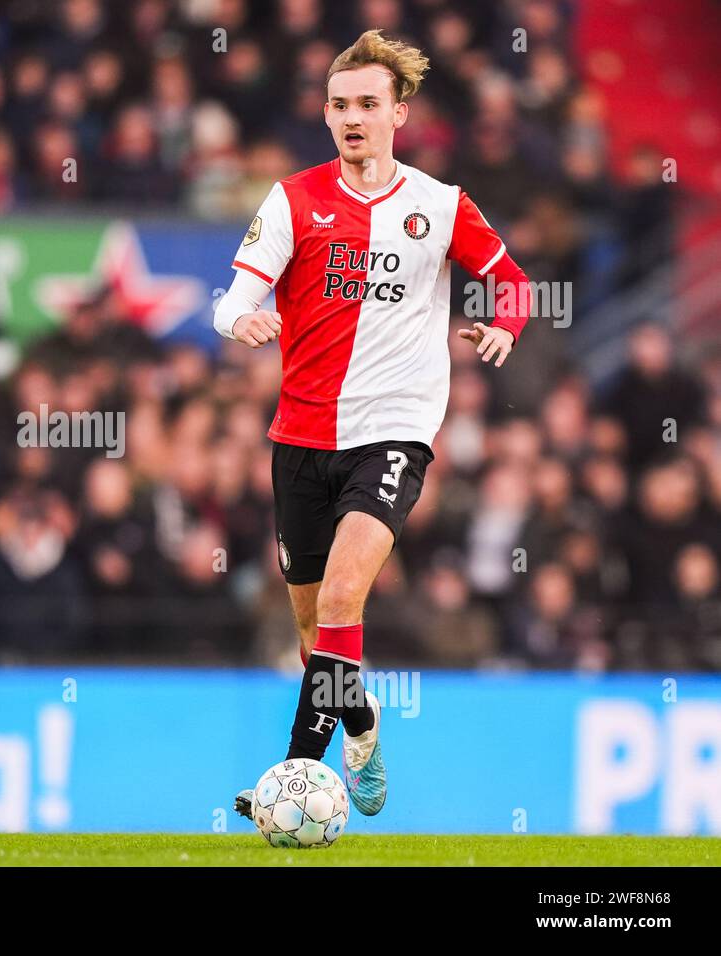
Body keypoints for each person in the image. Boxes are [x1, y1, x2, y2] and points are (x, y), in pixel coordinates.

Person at [214, 31, 532, 819]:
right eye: (339, 105)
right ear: (325, 116)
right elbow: (234, 295)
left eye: (368, 105)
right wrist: (238, 322)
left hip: (394, 429)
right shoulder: (293, 199)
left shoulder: (440, 205)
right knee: (314, 637)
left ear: (400, 114)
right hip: (300, 438)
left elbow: (515, 284)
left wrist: (505, 326)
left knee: (342, 601)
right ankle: (359, 726)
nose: (353, 118)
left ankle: (288, 780)